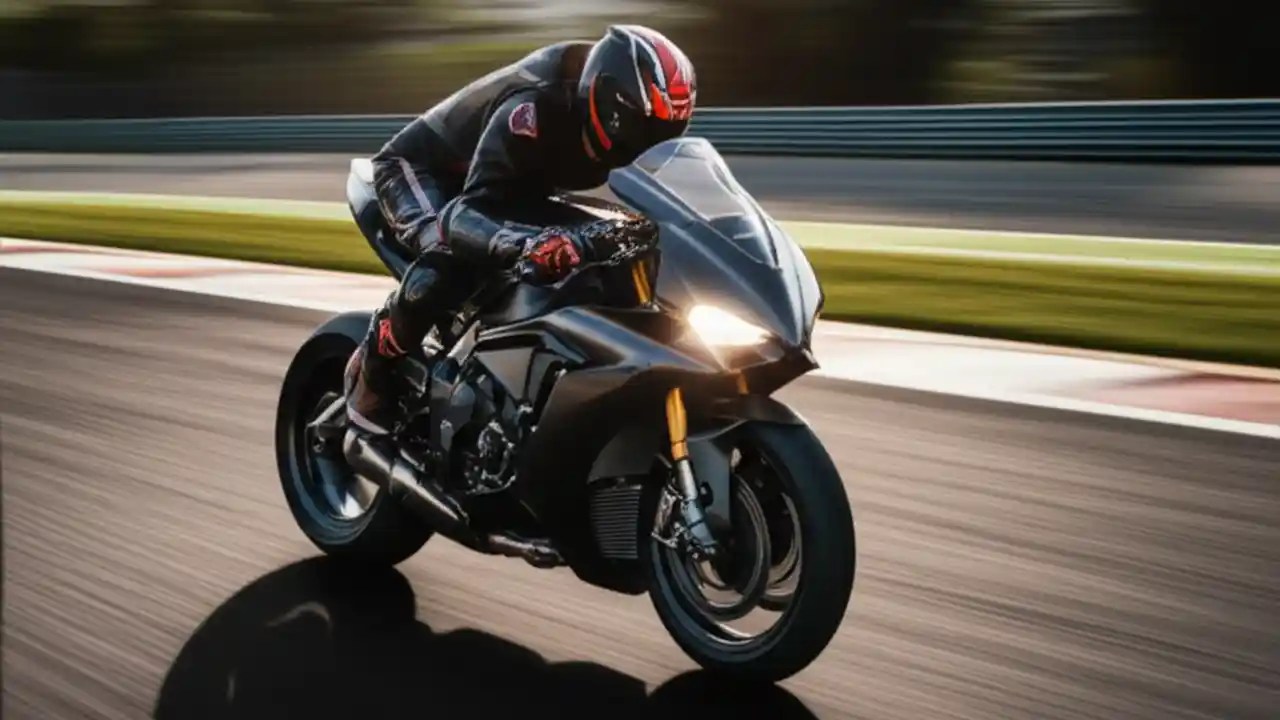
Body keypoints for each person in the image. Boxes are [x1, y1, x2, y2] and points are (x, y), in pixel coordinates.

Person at [345, 25, 697, 435]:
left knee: (606, 256)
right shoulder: (533, 109)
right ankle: (374, 362)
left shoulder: (603, 115)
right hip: (426, 176)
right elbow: (464, 214)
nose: (653, 142)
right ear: (612, 102)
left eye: (668, 133)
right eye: (647, 128)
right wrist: (527, 245)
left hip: (512, 182)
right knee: (446, 260)